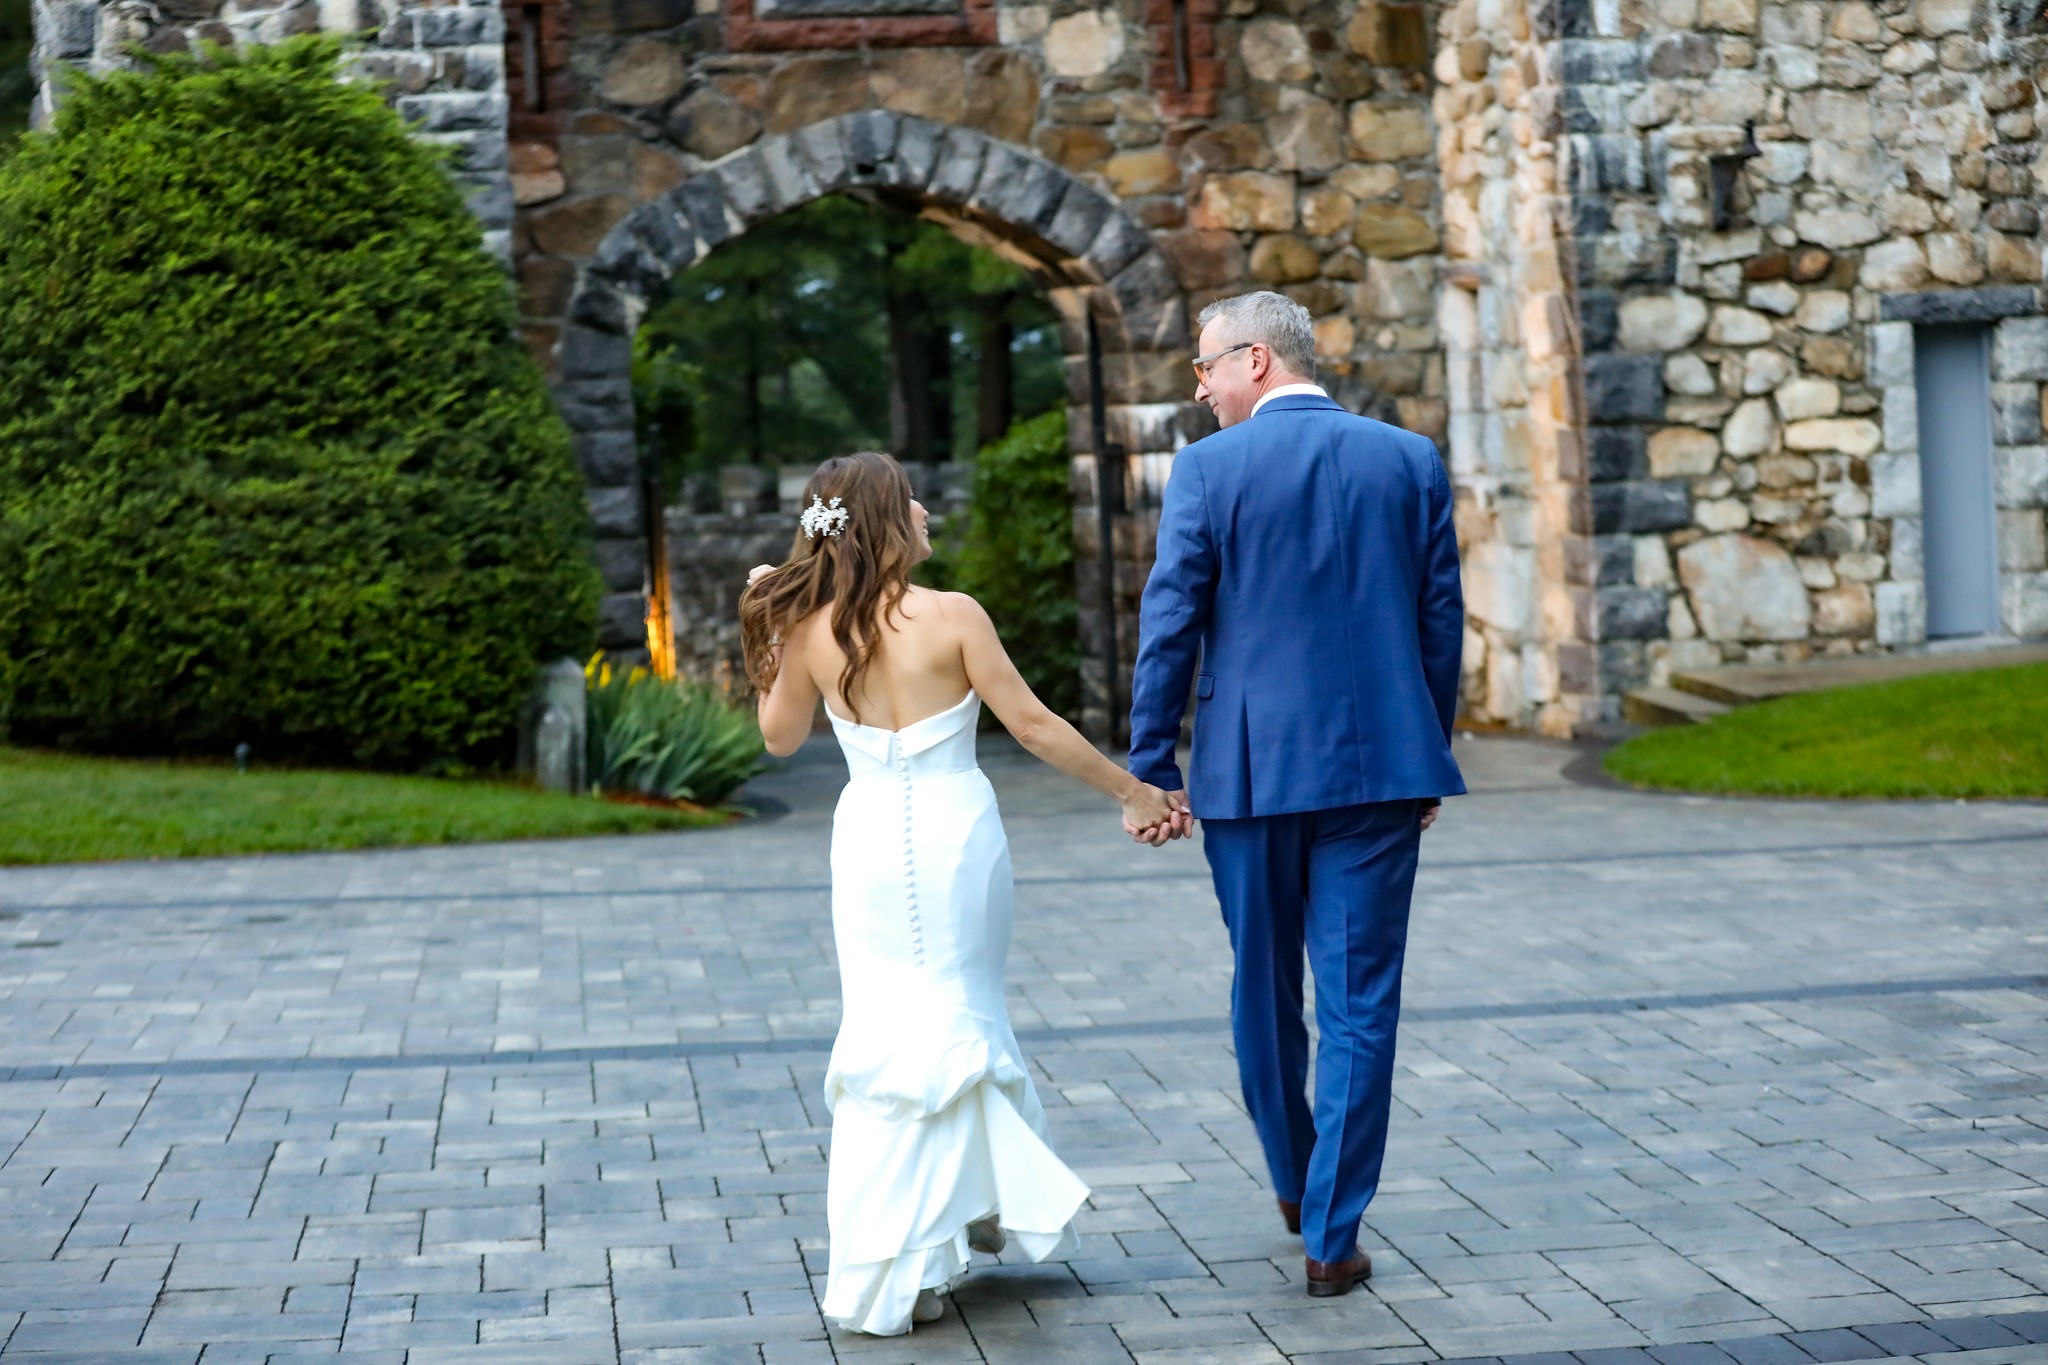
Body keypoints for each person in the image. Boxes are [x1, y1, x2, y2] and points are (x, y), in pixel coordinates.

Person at [738, 451, 1183, 1336]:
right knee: (958, 1019)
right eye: (911, 499)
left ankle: (911, 1252)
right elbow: (1032, 724)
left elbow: (779, 738)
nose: (925, 511)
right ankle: (944, 1228)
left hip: (867, 839)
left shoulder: (812, 629)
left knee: (886, 1029)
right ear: (881, 521)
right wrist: (1132, 791)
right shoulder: (953, 616)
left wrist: (773, 635)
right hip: (957, 837)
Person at [1126, 291, 1465, 1297]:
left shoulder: (1207, 469)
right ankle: (1329, 1231)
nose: (1199, 388)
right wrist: (1425, 747)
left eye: (1204, 367)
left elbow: (1170, 620)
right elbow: (1439, 618)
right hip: (1378, 769)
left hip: (1249, 774)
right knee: (1360, 1005)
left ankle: (1294, 1180)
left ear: (1257, 361)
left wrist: (1152, 762)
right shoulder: (1408, 459)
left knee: (1262, 992)